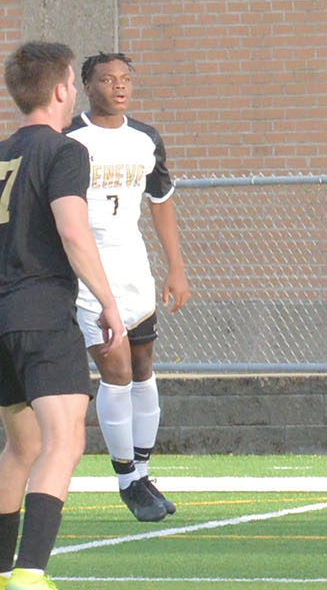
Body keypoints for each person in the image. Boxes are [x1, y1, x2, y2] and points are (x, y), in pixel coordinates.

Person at [0, 42, 127, 590]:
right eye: (73, 83)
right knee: (64, 440)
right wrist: (108, 300)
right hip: (42, 313)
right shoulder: (65, 151)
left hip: (3, 317)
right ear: (59, 91)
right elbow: (73, 230)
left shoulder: (3, 153)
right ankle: (29, 574)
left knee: (21, 447)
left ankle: (3, 572)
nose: (74, 91)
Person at [63, 53, 190, 522]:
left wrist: (176, 268)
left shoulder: (145, 139)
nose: (119, 87)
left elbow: (161, 201)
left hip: (134, 269)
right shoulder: (69, 140)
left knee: (143, 367)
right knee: (114, 369)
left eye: (125, 79)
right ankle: (126, 481)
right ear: (87, 86)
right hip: (88, 272)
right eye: (107, 79)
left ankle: (144, 472)